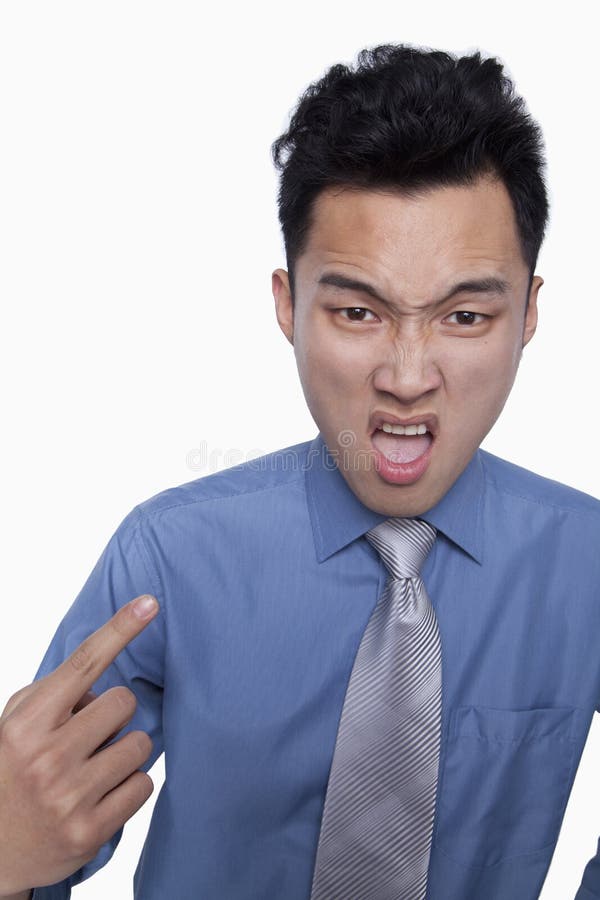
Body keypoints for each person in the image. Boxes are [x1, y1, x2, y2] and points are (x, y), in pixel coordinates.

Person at [1, 41, 599, 900]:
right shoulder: (168, 556)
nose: (406, 376)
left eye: (464, 316)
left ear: (529, 313)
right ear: (288, 305)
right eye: (357, 311)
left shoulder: (588, 561)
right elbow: (39, 837)